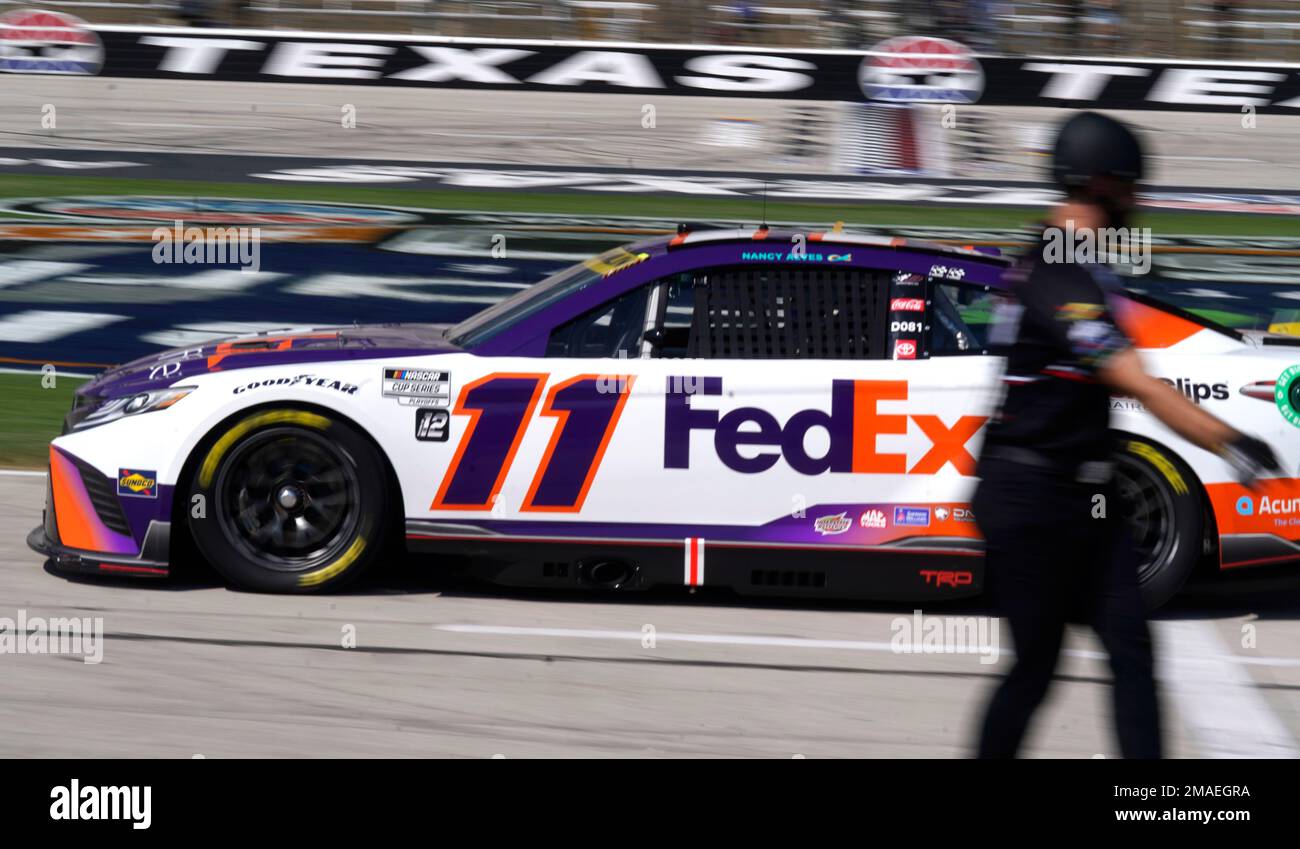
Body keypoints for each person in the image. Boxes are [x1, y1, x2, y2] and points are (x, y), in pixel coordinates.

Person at [971, 111, 1281, 759]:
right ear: (1100, 182)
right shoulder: (1057, 273)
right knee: (1037, 665)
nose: (1139, 200)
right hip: (1031, 496)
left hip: (1088, 491)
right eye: (1132, 185)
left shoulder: (1077, 266)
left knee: (1132, 651)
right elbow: (1132, 378)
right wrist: (1229, 441)